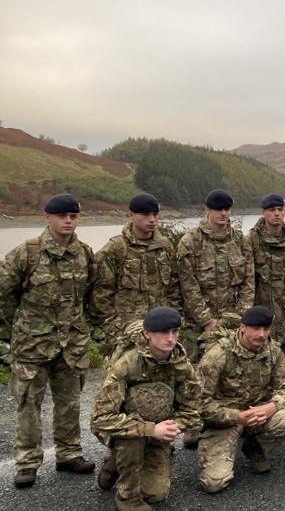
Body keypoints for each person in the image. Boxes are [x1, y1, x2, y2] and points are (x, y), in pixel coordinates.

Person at [0, 194, 97, 488]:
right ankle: (27, 462)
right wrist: (10, 334)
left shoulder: (85, 253)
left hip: (72, 344)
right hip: (32, 346)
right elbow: (4, 295)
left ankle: (69, 453)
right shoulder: (26, 254)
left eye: (73, 216)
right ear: (47, 217)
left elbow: (89, 294)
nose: (68, 221)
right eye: (61, 216)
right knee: (29, 405)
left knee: (69, 403)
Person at [90, 307, 202, 510]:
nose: (170, 338)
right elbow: (102, 418)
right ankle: (127, 498)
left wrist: (172, 426)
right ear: (147, 334)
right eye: (163, 332)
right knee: (132, 443)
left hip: (159, 432)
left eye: (175, 332)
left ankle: (114, 464)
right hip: (124, 431)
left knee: (156, 494)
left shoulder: (182, 366)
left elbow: (193, 410)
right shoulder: (126, 365)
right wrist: (150, 429)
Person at [196, 306, 285, 493]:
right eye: (256, 329)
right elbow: (199, 403)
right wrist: (237, 417)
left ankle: (254, 448)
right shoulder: (218, 354)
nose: (261, 334)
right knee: (214, 484)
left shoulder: (272, 350)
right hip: (225, 420)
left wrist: (272, 407)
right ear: (242, 327)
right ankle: (221, 449)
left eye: (266, 329)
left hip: (258, 414)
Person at [90, 193, 181, 361]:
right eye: (145, 215)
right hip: (126, 331)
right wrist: (114, 327)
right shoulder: (115, 249)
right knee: (122, 379)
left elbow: (174, 288)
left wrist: (174, 321)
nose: (152, 219)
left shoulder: (165, 247)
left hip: (161, 331)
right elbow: (101, 294)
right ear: (130, 215)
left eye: (155, 214)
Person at [176, 188, 255, 364]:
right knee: (197, 376)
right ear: (207, 211)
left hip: (234, 322)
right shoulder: (190, 242)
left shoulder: (241, 241)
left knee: (234, 373)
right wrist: (206, 320)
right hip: (199, 326)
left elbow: (249, 282)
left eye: (227, 209)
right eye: (218, 209)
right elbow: (189, 287)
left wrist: (241, 316)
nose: (224, 213)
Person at [248, 194, 285, 357]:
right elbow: (246, 280)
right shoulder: (252, 240)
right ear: (263, 213)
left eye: (280, 210)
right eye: (272, 210)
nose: (277, 213)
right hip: (260, 309)